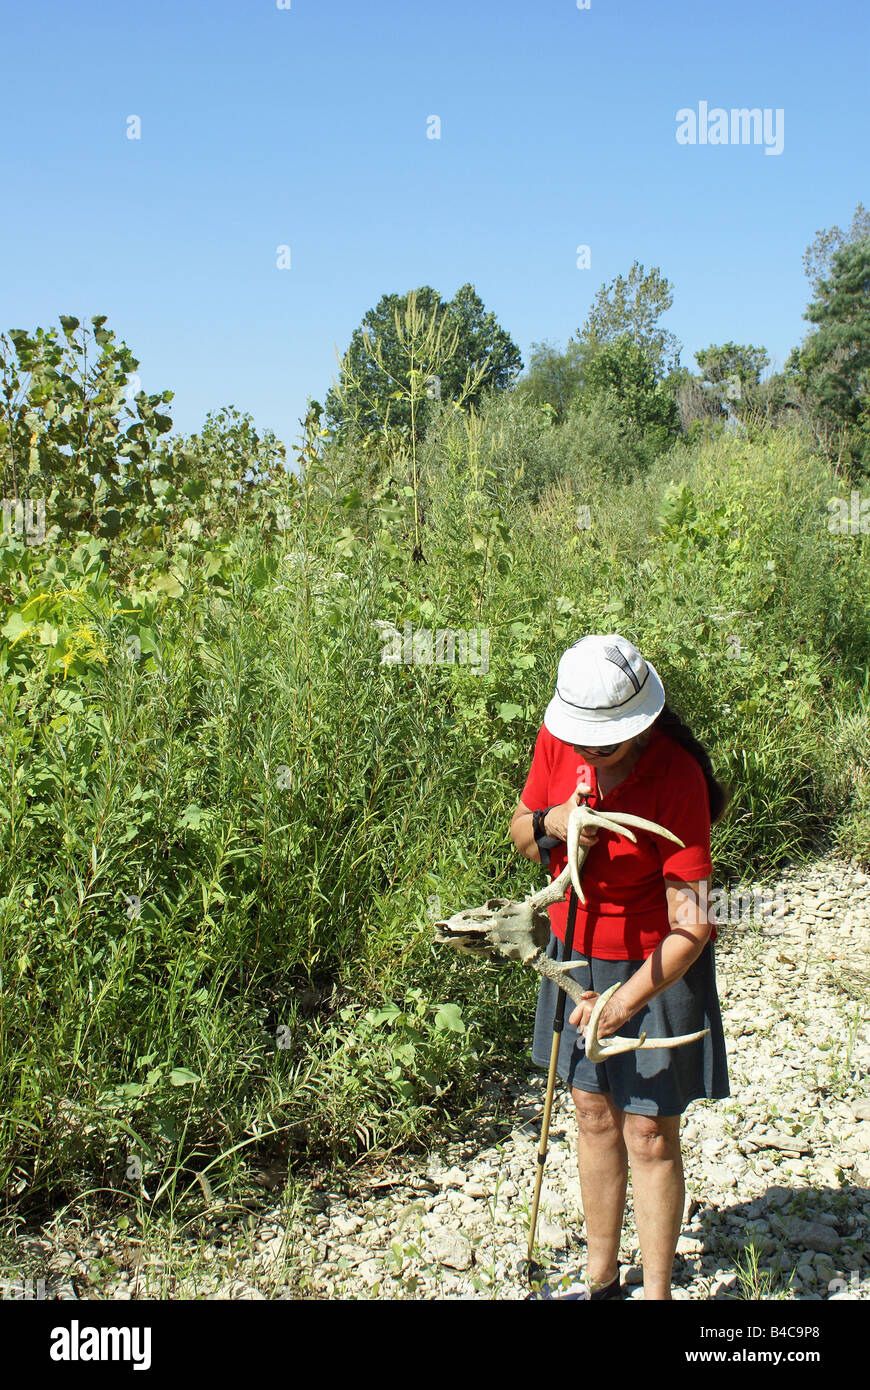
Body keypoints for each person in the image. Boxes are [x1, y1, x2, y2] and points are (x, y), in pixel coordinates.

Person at [510, 633, 731, 1301]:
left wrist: (627, 1000)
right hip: (574, 947)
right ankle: (601, 1280)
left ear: (639, 728)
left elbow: (692, 924)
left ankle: (657, 1292)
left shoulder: (676, 777)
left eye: (602, 744)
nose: (587, 752)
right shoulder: (560, 742)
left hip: (656, 966)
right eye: (581, 740)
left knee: (648, 1128)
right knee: (593, 1112)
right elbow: (522, 831)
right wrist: (556, 821)